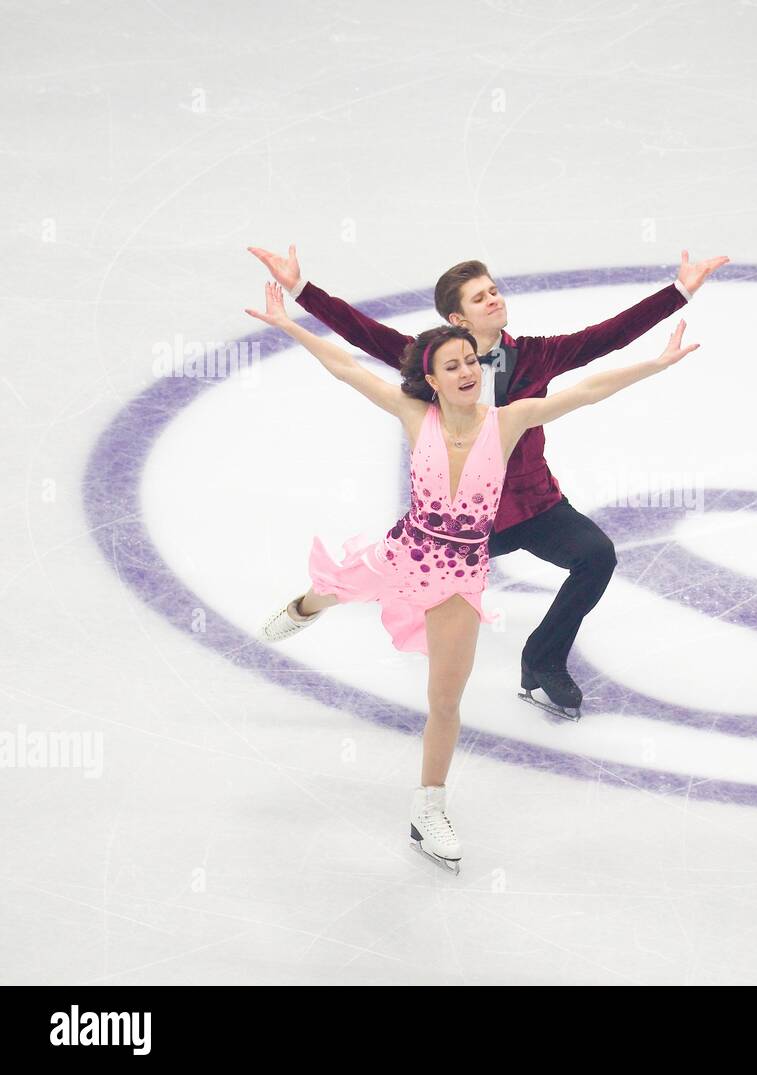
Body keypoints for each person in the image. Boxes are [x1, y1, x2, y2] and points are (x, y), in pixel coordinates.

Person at [244, 281, 701, 874]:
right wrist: (289, 326)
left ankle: (428, 807)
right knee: (333, 588)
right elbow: (342, 365)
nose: (466, 372)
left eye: (470, 362)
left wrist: (656, 364)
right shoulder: (414, 413)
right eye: (452, 365)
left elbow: (589, 389)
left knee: (445, 699)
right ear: (431, 379)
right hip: (406, 550)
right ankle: (304, 608)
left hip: (460, 574)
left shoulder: (508, 422)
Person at [248, 244, 728, 717]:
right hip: (460, 525)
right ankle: (308, 605)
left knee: (596, 556)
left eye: (493, 291)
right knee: (377, 581)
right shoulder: (432, 359)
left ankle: (543, 661)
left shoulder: (539, 357)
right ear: (458, 320)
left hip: (536, 505)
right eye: (480, 298)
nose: (494, 299)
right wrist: (300, 289)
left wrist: (678, 292)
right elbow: (361, 335)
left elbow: (608, 337)